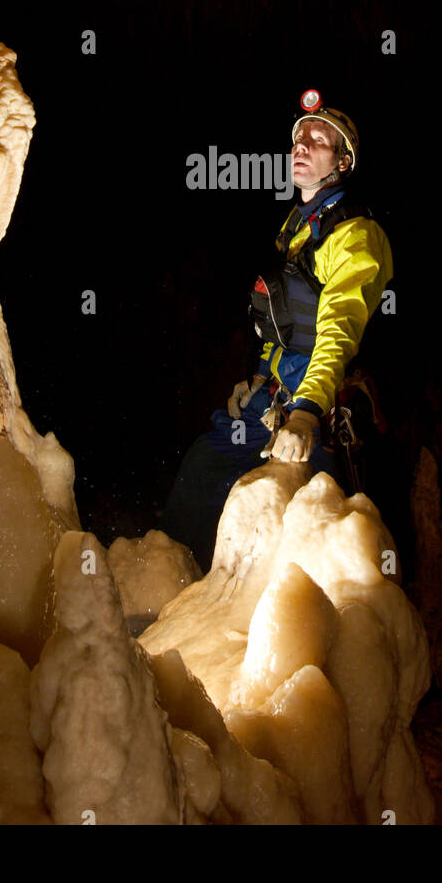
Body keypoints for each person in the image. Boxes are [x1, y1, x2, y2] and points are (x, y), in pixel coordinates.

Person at [160, 90, 393, 567]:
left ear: (343, 162)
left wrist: (308, 412)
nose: (300, 145)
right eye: (297, 137)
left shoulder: (354, 233)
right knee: (202, 470)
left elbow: (337, 329)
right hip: (275, 396)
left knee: (313, 528)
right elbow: (286, 325)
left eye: (317, 139)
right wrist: (257, 380)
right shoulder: (298, 225)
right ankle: (180, 587)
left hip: (323, 405)